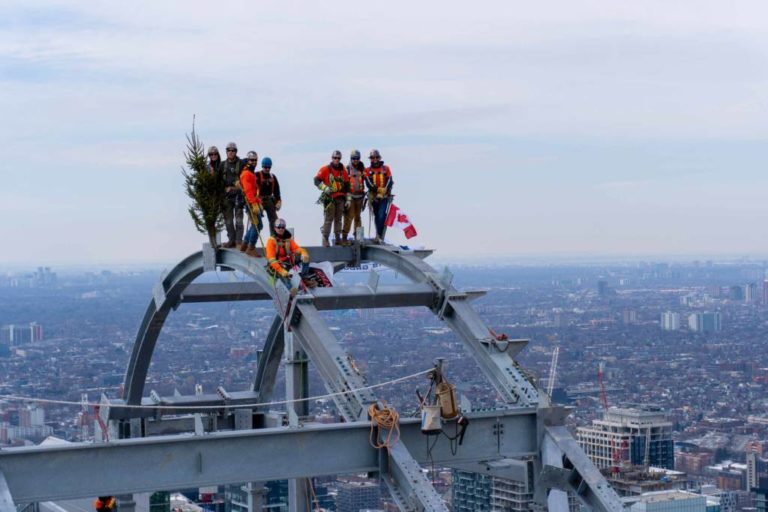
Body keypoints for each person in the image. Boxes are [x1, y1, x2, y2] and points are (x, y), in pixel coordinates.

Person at [314, 150, 349, 246]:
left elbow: (347, 185)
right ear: (332, 158)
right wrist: (324, 188)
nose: (336, 160)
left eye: (338, 158)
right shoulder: (325, 169)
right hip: (329, 198)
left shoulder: (343, 170)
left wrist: (348, 199)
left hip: (340, 198)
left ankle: (338, 239)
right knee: (329, 219)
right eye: (335, 158)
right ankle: (325, 239)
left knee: (338, 220)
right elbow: (316, 180)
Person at [265, 218, 310, 290]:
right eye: (278, 227)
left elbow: (296, 248)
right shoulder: (271, 241)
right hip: (278, 263)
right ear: (275, 228)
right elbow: (271, 259)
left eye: (282, 227)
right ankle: (290, 289)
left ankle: (304, 278)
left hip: (288, 261)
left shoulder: (288, 239)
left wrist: (303, 252)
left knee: (305, 258)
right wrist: (280, 270)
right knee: (284, 274)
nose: (281, 229)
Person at [364, 149, 393, 243]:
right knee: (377, 215)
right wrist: (378, 190)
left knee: (382, 214)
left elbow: (390, 180)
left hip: (384, 196)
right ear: (370, 159)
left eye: (376, 157)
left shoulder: (386, 168)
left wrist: (384, 190)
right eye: (373, 158)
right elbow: (368, 183)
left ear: (379, 158)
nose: (375, 159)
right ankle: (378, 235)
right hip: (374, 197)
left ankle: (380, 235)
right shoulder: (367, 170)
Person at [238, 154, 263, 256]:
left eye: (255, 160)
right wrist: (253, 204)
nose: (254, 162)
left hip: (253, 202)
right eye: (252, 160)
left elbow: (253, 190)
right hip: (250, 203)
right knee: (258, 225)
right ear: (248, 161)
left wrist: (258, 202)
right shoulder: (246, 173)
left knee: (254, 224)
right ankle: (251, 247)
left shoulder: (250, 172)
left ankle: (244, 244)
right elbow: (248, 191)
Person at [221, 142, 245, 248]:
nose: (231, 152)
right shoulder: (222, 165)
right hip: (227, 197)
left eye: (233, 150)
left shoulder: (241, 164)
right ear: (226, 152)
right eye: (229, 150)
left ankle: (238, 241)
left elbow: (247, 178)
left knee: (239, 220)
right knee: (228, 221)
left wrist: (238, 187)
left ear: (236, 152)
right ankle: (231, 240)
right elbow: (218, 181)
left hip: (239, 196)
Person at [341, 149, 366, 245]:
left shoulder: (362, 168)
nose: (355, 160)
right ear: (351, 159)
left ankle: (359, 237)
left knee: (358, 217)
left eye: (357, 158)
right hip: (350, 196)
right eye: (354, 158)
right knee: (349, 216)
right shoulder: (346, 169)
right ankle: (344, 237)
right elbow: (343, 183)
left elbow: (368, 179)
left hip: (360, 196)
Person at [255, 156, 282, 236]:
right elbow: (252, 189)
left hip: (269, 200)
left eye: (268, 167)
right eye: (265, 167)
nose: (267, 169)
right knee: (256, 221)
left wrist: (278, 201)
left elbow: (277, 191)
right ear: (262, 166)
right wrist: (254, 202)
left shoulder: (272, 177)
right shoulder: (257, 175)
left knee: (274, 220)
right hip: (259, 200)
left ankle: (273, 237)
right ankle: (251, 240)